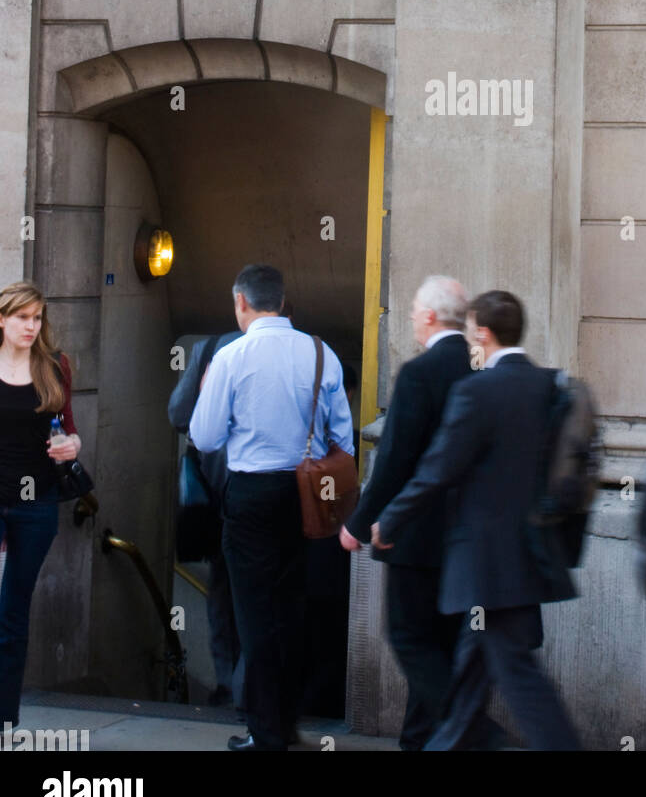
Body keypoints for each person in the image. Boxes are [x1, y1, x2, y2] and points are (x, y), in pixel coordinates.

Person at [372, 290, 581, 751]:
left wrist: (390, 520)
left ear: (482, 333)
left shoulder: (478, 391)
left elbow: (436, 470)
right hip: (528, 557)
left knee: (520, 680)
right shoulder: (551, 386)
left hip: (488, 566)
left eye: (469, 333)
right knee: (467, 685)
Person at [189, 264, 354, 751]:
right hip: (307, 498)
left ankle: (265, 734)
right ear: (282, 302)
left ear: (241, 301)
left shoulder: (232, 356)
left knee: (254, 619)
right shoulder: (322, 354)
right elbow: (341, 439)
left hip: (251, 496)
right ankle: (286, 723)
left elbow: (204, 435)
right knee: (291, 610)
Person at [341, 275, 502, 750]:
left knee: (410, 639)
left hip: (414, 536)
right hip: (466, 538)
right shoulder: (482, 370)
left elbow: (394, 461)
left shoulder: (418, 374)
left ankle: (477, 735)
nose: (410, 314)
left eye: (414, 307)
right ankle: (421, 742)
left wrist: (357, 525)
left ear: (430, 316)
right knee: (443, 647)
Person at [0, 281, 82, 732]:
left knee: (14, 611)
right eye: (23, 317)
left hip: (36, 502)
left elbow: (69, 428)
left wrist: (72, 445)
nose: (32, 326)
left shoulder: (54, 366)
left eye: (38, 318)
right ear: (0, 319)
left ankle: (1, 720)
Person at [168, 329, 241, 707]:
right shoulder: (310, 352)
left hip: (218, 494)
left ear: (241, 302)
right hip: (278, 500)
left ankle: (230, 685)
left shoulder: (210, 349)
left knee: (223, 595)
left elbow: (179, 416)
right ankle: (256, 691)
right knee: (269, 597)